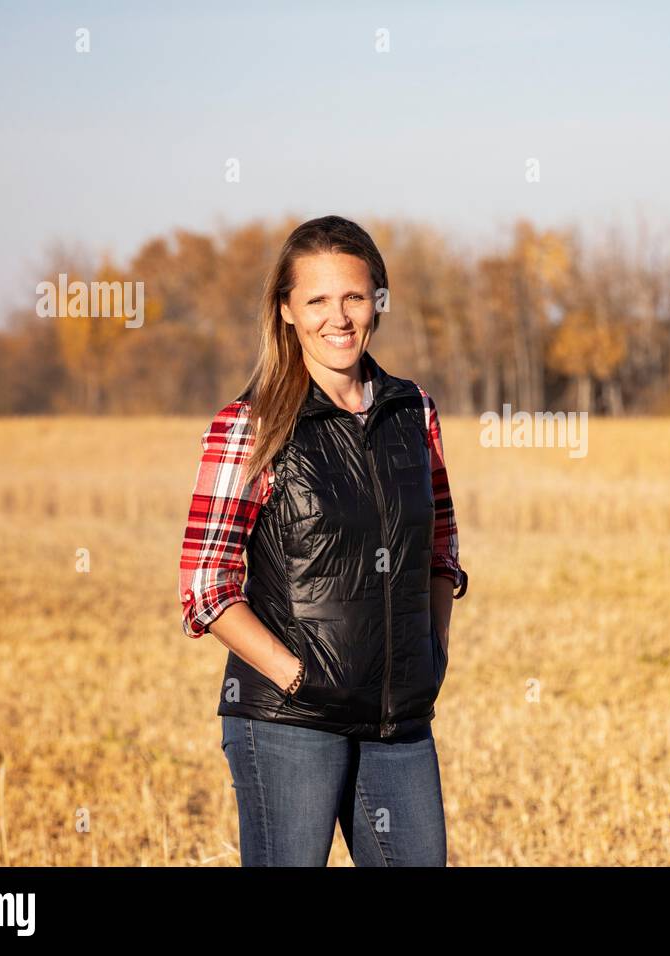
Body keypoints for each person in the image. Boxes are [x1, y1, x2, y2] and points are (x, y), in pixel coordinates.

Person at [177, 215, 468, 866]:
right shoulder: (247, 426)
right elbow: (206, 588)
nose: (337, 317)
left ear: (378, 303)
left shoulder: (412, 410)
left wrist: (433, 650)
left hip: (399, 719)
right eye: (316, 300)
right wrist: (297, 678)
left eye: (354, 297)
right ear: (286, 311)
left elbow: (441, 550)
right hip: (289, 722)